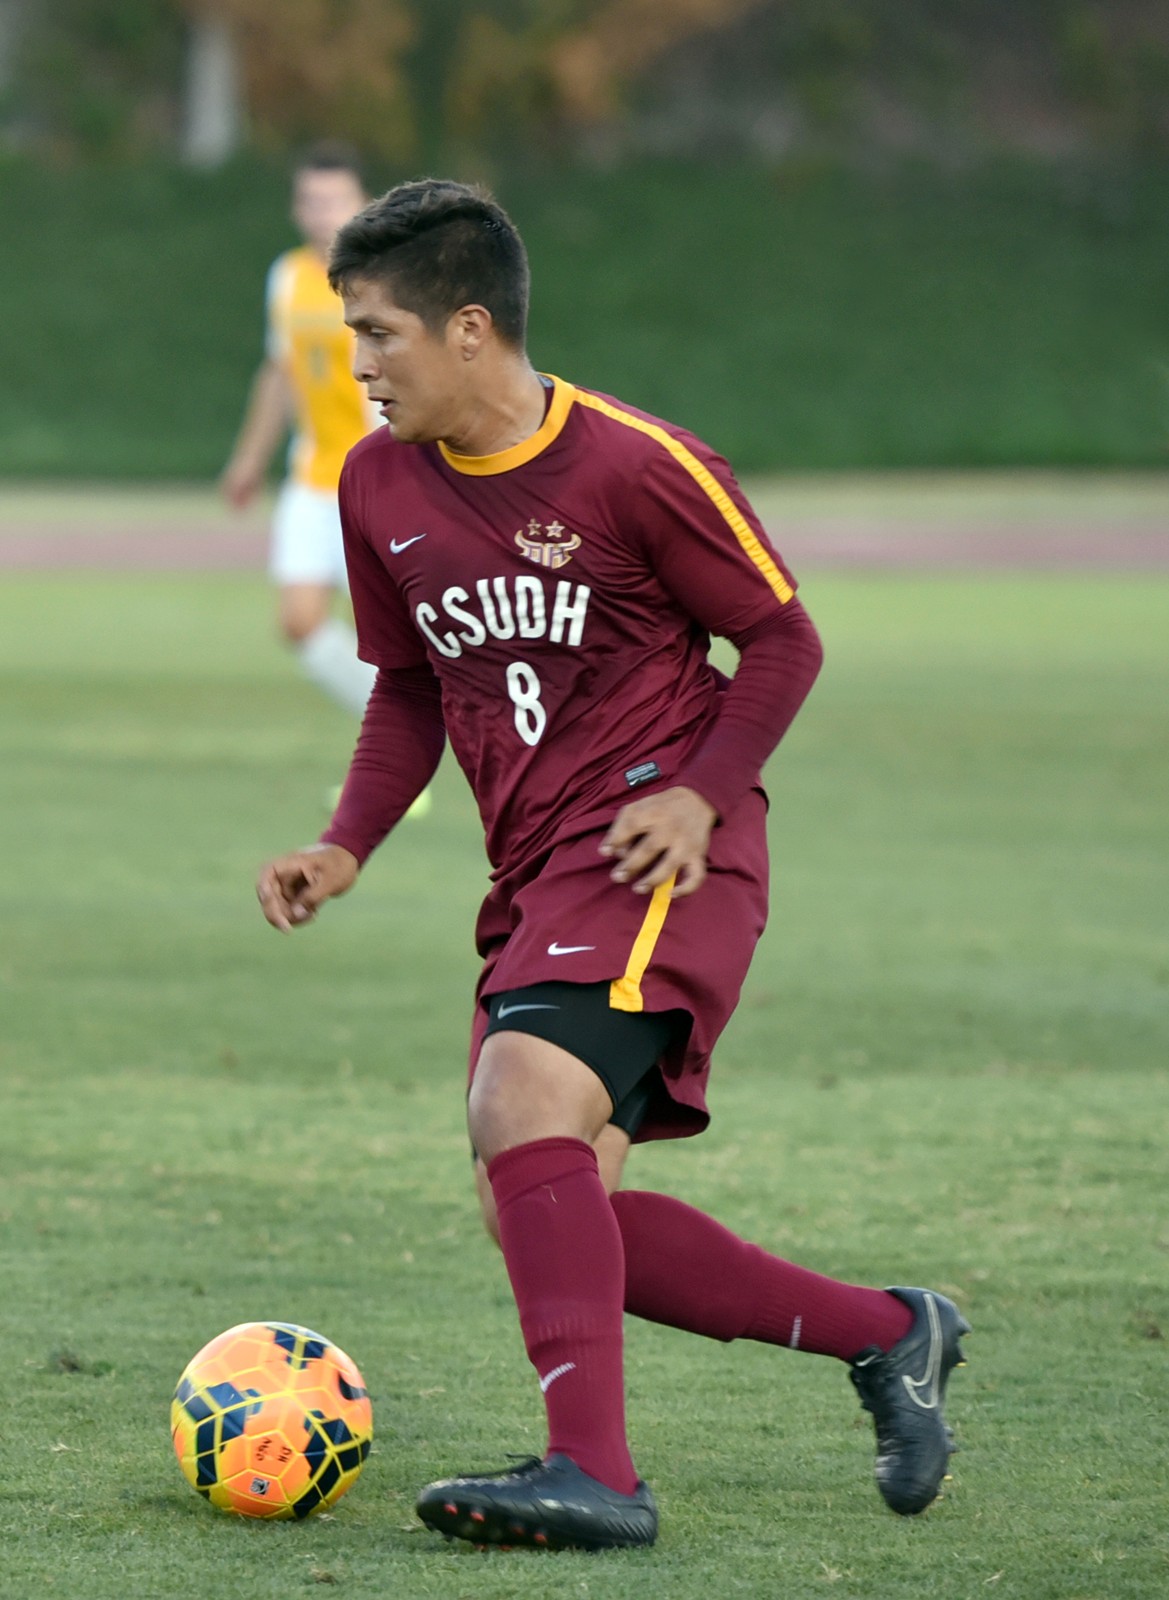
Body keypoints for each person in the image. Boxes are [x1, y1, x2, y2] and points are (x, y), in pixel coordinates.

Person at [255, 179, 970, 1553]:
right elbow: (407, 687)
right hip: (533, 874)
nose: (359, 367)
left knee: (516, 1101)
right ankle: (894, 1334)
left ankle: (596, 1476)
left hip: (659, 847)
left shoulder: (637, 464)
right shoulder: (375, 480)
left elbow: (782, 640)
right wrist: (346, 844)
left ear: (472, 329)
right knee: (535, 1197)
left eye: (380, 334)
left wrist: (703, 800)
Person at [220, 142, 380, 719]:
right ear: (296, 208)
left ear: (363, 205)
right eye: (311, 200)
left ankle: (419, 732)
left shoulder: (383, 276)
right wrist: (248, 460)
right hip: (314, 477)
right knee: (299, 621)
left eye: (335, 200)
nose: (322, 212)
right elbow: (281, 372)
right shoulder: (286, 278)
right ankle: (398, 726)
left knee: (394, 634)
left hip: (376, 479)